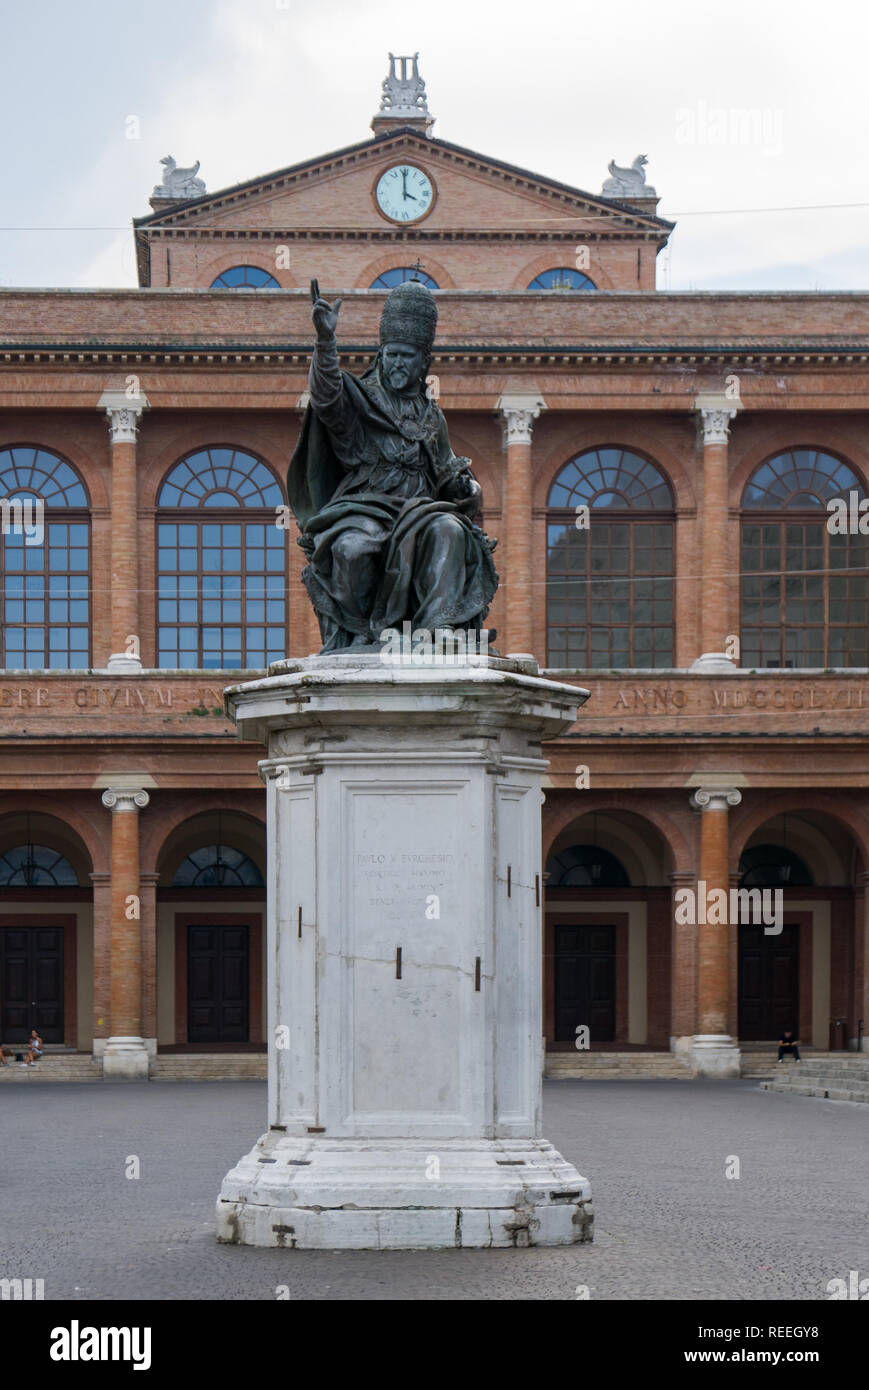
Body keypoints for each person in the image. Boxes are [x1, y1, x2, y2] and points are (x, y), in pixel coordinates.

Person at [289, 278, 498, 652]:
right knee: (352, 549)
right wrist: (325, 343)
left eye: (406, 355)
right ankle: (363, 633)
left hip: (419, 510)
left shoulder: (432, 416)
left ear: (424, 361)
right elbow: (326, 397)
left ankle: (437, 629)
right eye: (392, 354)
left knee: (449, 529)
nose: (397, 362)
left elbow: (447, 470)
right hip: (364, 507)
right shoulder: (359, 399)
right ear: (381, 353)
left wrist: (467, 489)